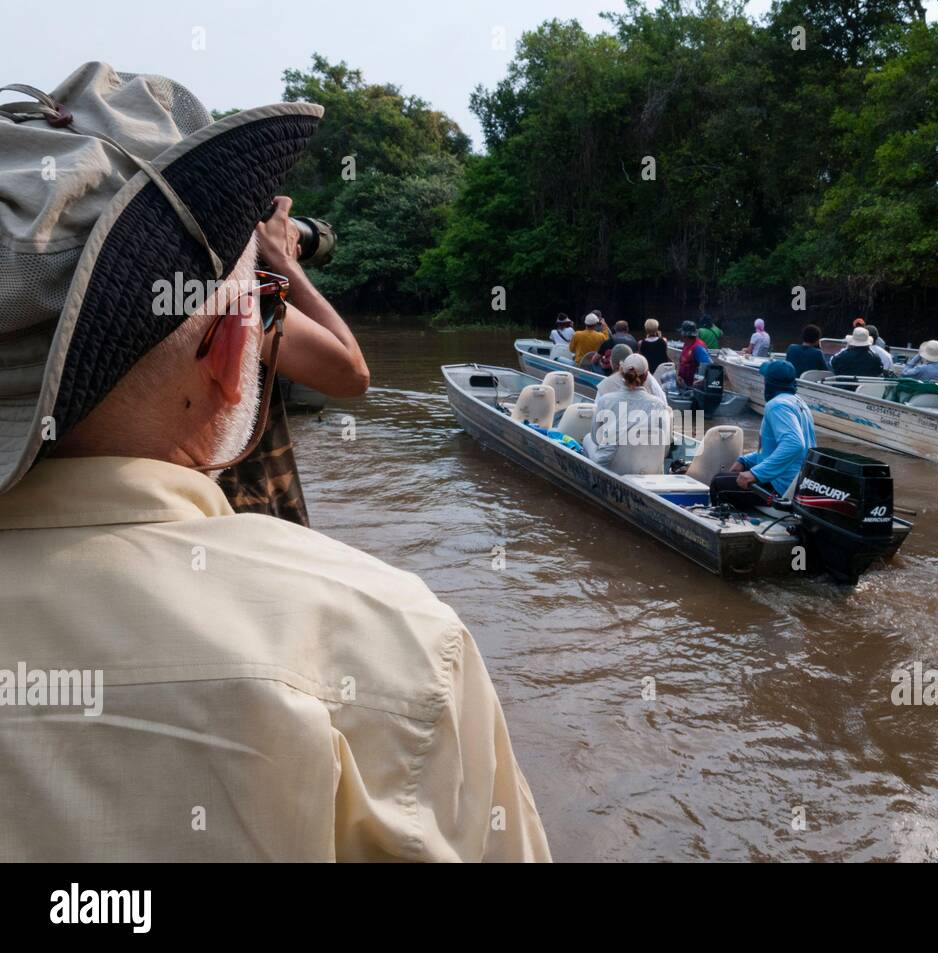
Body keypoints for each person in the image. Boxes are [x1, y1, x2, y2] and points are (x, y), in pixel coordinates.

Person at [0, 63, 548, 861]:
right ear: (231, 346)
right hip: (240, 577)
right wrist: (273, 264)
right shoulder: (402, 646)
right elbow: (353, 372)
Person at [217, 195, 370, 526]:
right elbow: (351, 375)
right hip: (247, 516)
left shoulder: (155, 286)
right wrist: (284, 262)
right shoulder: (234, 293)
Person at [709, 361, 816, 507]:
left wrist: (756, 474)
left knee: (718, 482)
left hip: (780, 487)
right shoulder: (798, 402)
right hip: (797, 483)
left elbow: (794, 444)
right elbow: (770, 449)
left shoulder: (777, 405)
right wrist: (745, 461)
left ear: (770, 382)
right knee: (732, 475)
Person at [583, 354, 672, 472]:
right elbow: (665, 446)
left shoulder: (605, 400)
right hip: (647, 468)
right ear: (646, 376)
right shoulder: (659, 405)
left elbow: (596, 437)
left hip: (612, 466)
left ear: (621, 373)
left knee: (588, 438)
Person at [598, 343, 668, 402]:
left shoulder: (604, 385)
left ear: (612, 364)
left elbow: (597, 412)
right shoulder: (650, 379)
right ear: (645, 375)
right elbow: (663, 401)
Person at [677, 321, 713, 388]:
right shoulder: (686, 344)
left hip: (692, 387)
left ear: (685, 335)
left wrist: (699, 381)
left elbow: (707, 364)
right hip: (684, 384)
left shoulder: (698, 347)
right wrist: (679, 377)